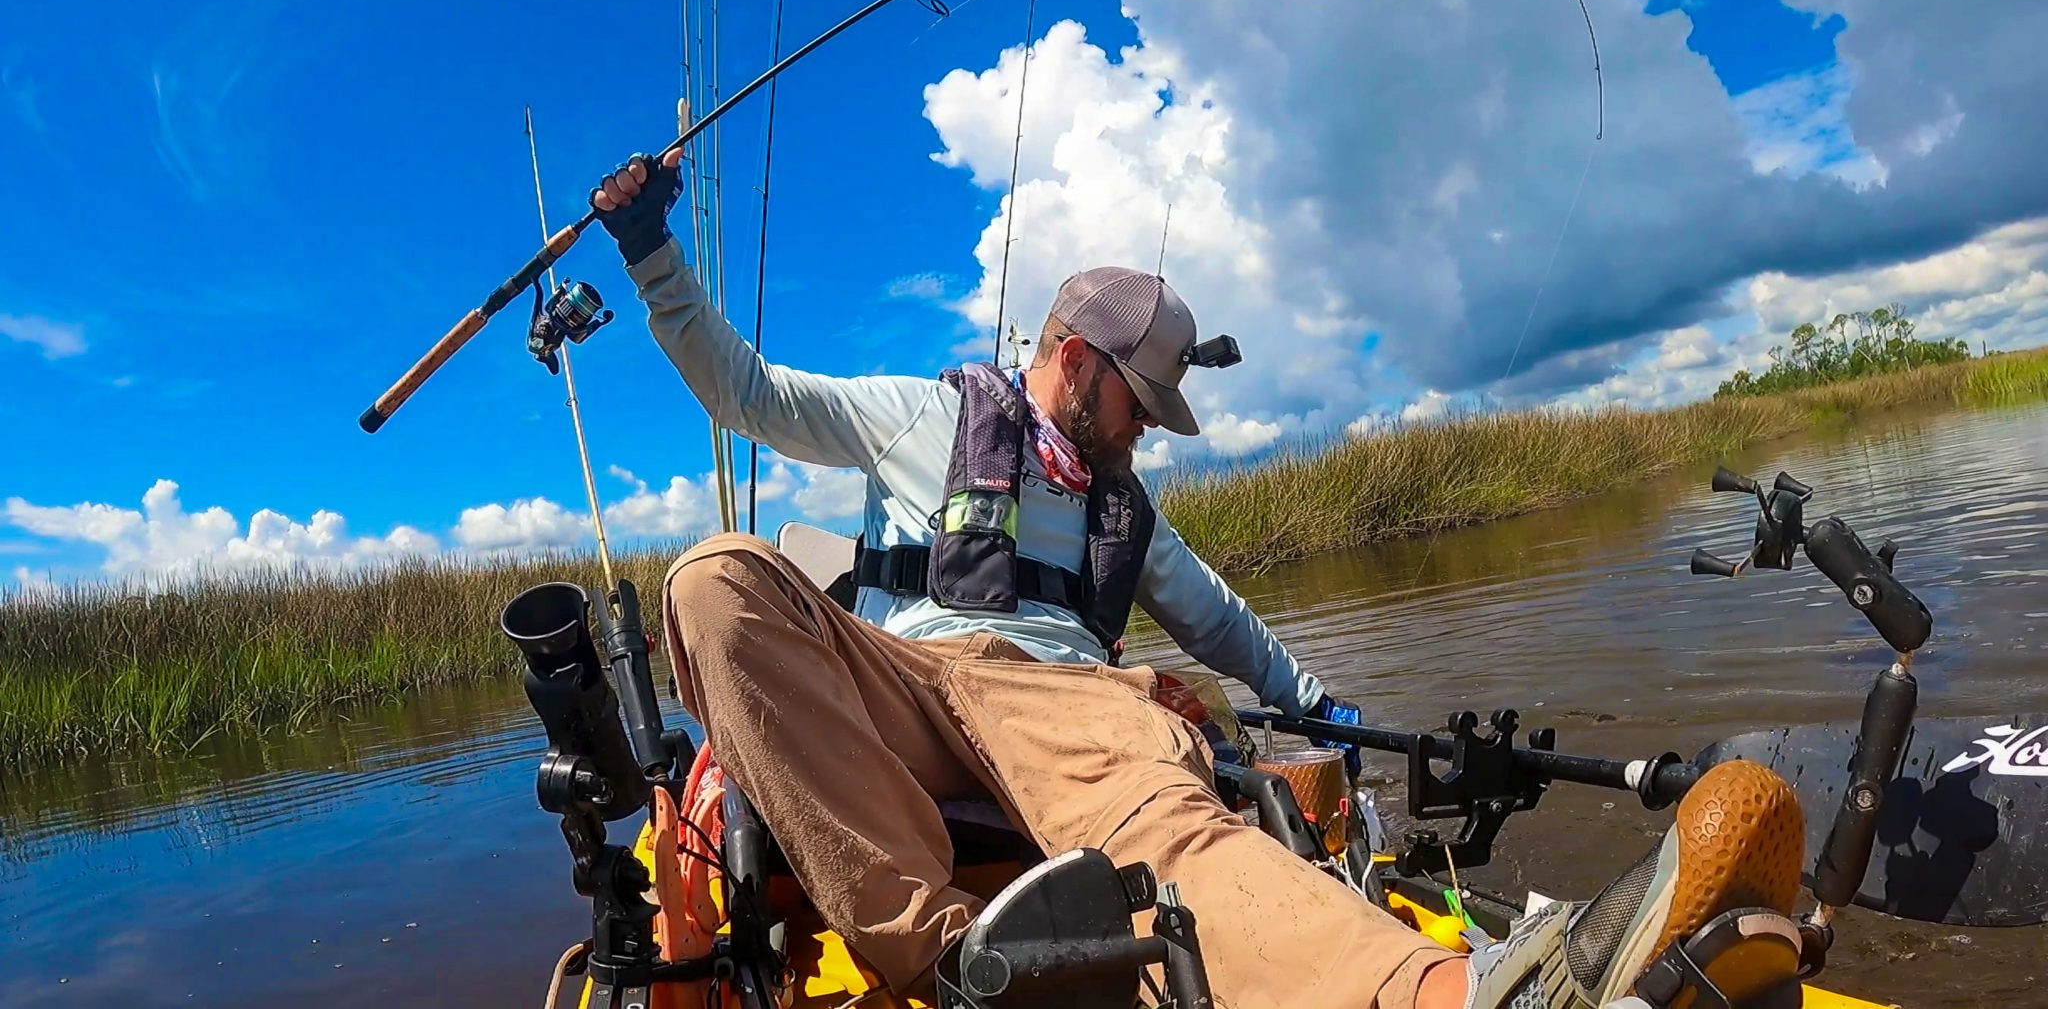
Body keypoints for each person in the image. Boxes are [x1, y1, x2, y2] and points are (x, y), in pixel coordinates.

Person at [590, 150, 1807, 1009]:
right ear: (1075, 361)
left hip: (1063, 707)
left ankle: (1459, 993)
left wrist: (1317, 702)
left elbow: (1221, 622)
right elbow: (745, 390)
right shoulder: (919, 411)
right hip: (900, 681)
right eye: (1138, 400)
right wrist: (652, 255)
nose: (1145, 429)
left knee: (1178, 828)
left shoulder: (1126, 506)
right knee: (712, 576)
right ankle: (946, 957)